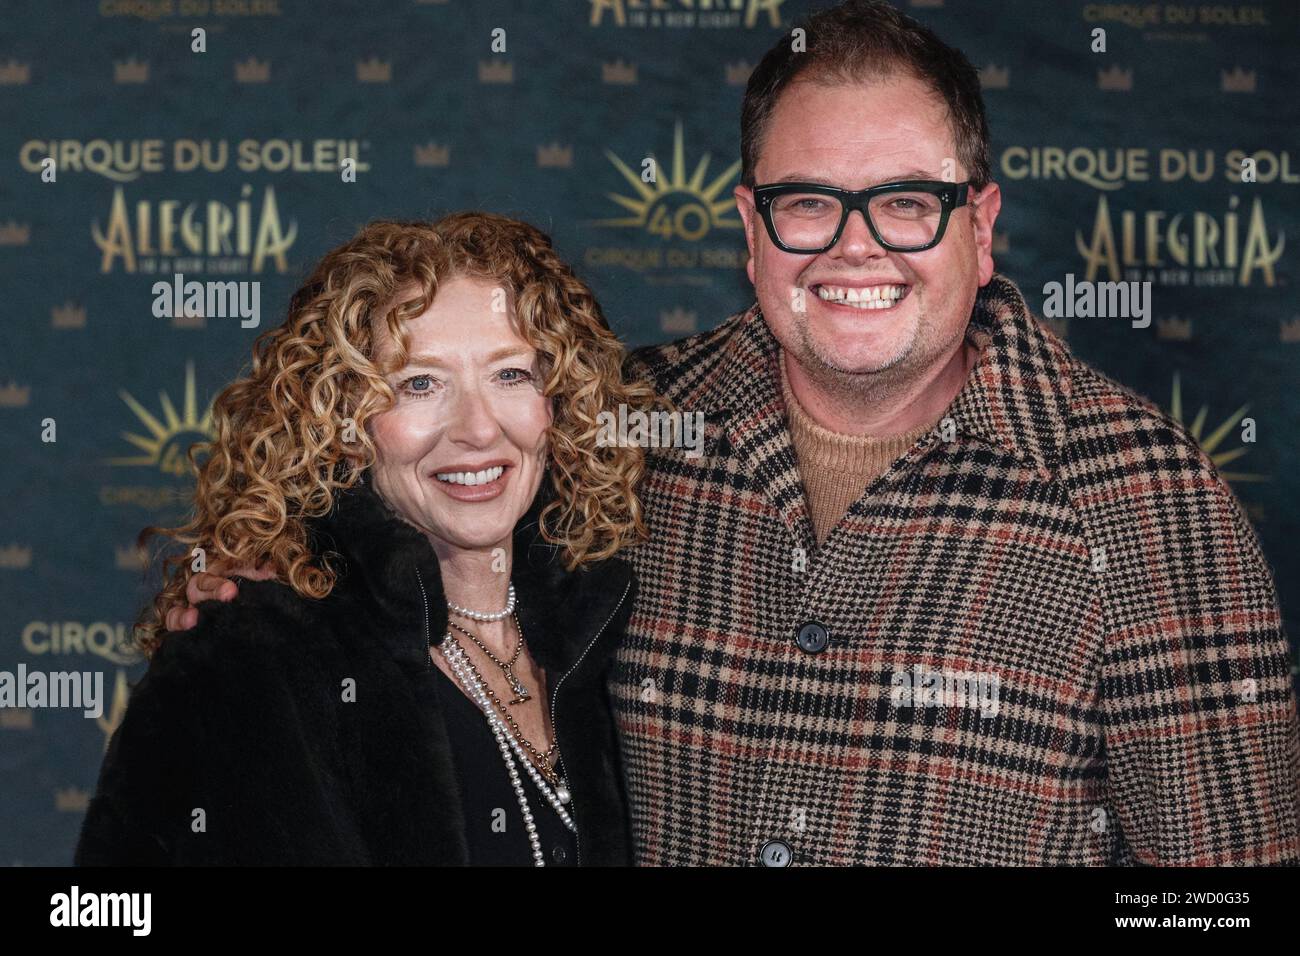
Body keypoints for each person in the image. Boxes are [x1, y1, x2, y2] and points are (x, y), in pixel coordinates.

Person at [169, 0, 1300, 865]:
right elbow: (411, 484)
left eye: (908, 200)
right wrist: (257, 588)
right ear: (752, 227)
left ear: (981, 225)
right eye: (810, 201)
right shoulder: (617, 426)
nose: (857, 249)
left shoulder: (1148, 504)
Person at [75, 213, 658, 866]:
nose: (477, 428)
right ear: (344, 419)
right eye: (419, 384)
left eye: (510, 375)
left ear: (561, 400)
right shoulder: (255, 651)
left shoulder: (610, 633)